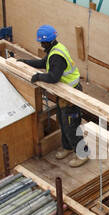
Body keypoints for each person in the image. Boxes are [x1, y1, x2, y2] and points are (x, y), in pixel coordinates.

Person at [21, 24, 84, 166]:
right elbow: (43, 62)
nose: (41, 45)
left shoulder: (56, 55)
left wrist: (38, 77)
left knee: (71, 126)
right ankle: (68, 148)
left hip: (71, 96)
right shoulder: (55, 49)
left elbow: (54, 77)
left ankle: (82, 153)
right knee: (63, 122)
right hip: (64, 95)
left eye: (42, 42)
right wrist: (25, 62)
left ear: (48, 41)